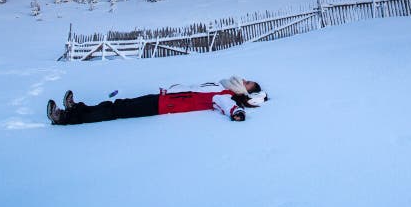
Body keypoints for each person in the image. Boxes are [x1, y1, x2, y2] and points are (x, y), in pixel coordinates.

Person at [46, 76, 267, 125]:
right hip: (164, 97)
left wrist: (237, 113)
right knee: (118, 104)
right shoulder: (221, 85)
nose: (244, 79)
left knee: (116, 111)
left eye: (248, 83)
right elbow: (191, 89)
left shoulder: (226, 95)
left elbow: (227, 106)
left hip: (164, 106)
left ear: (245, 91)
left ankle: (64, 118)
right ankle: (77, 108)